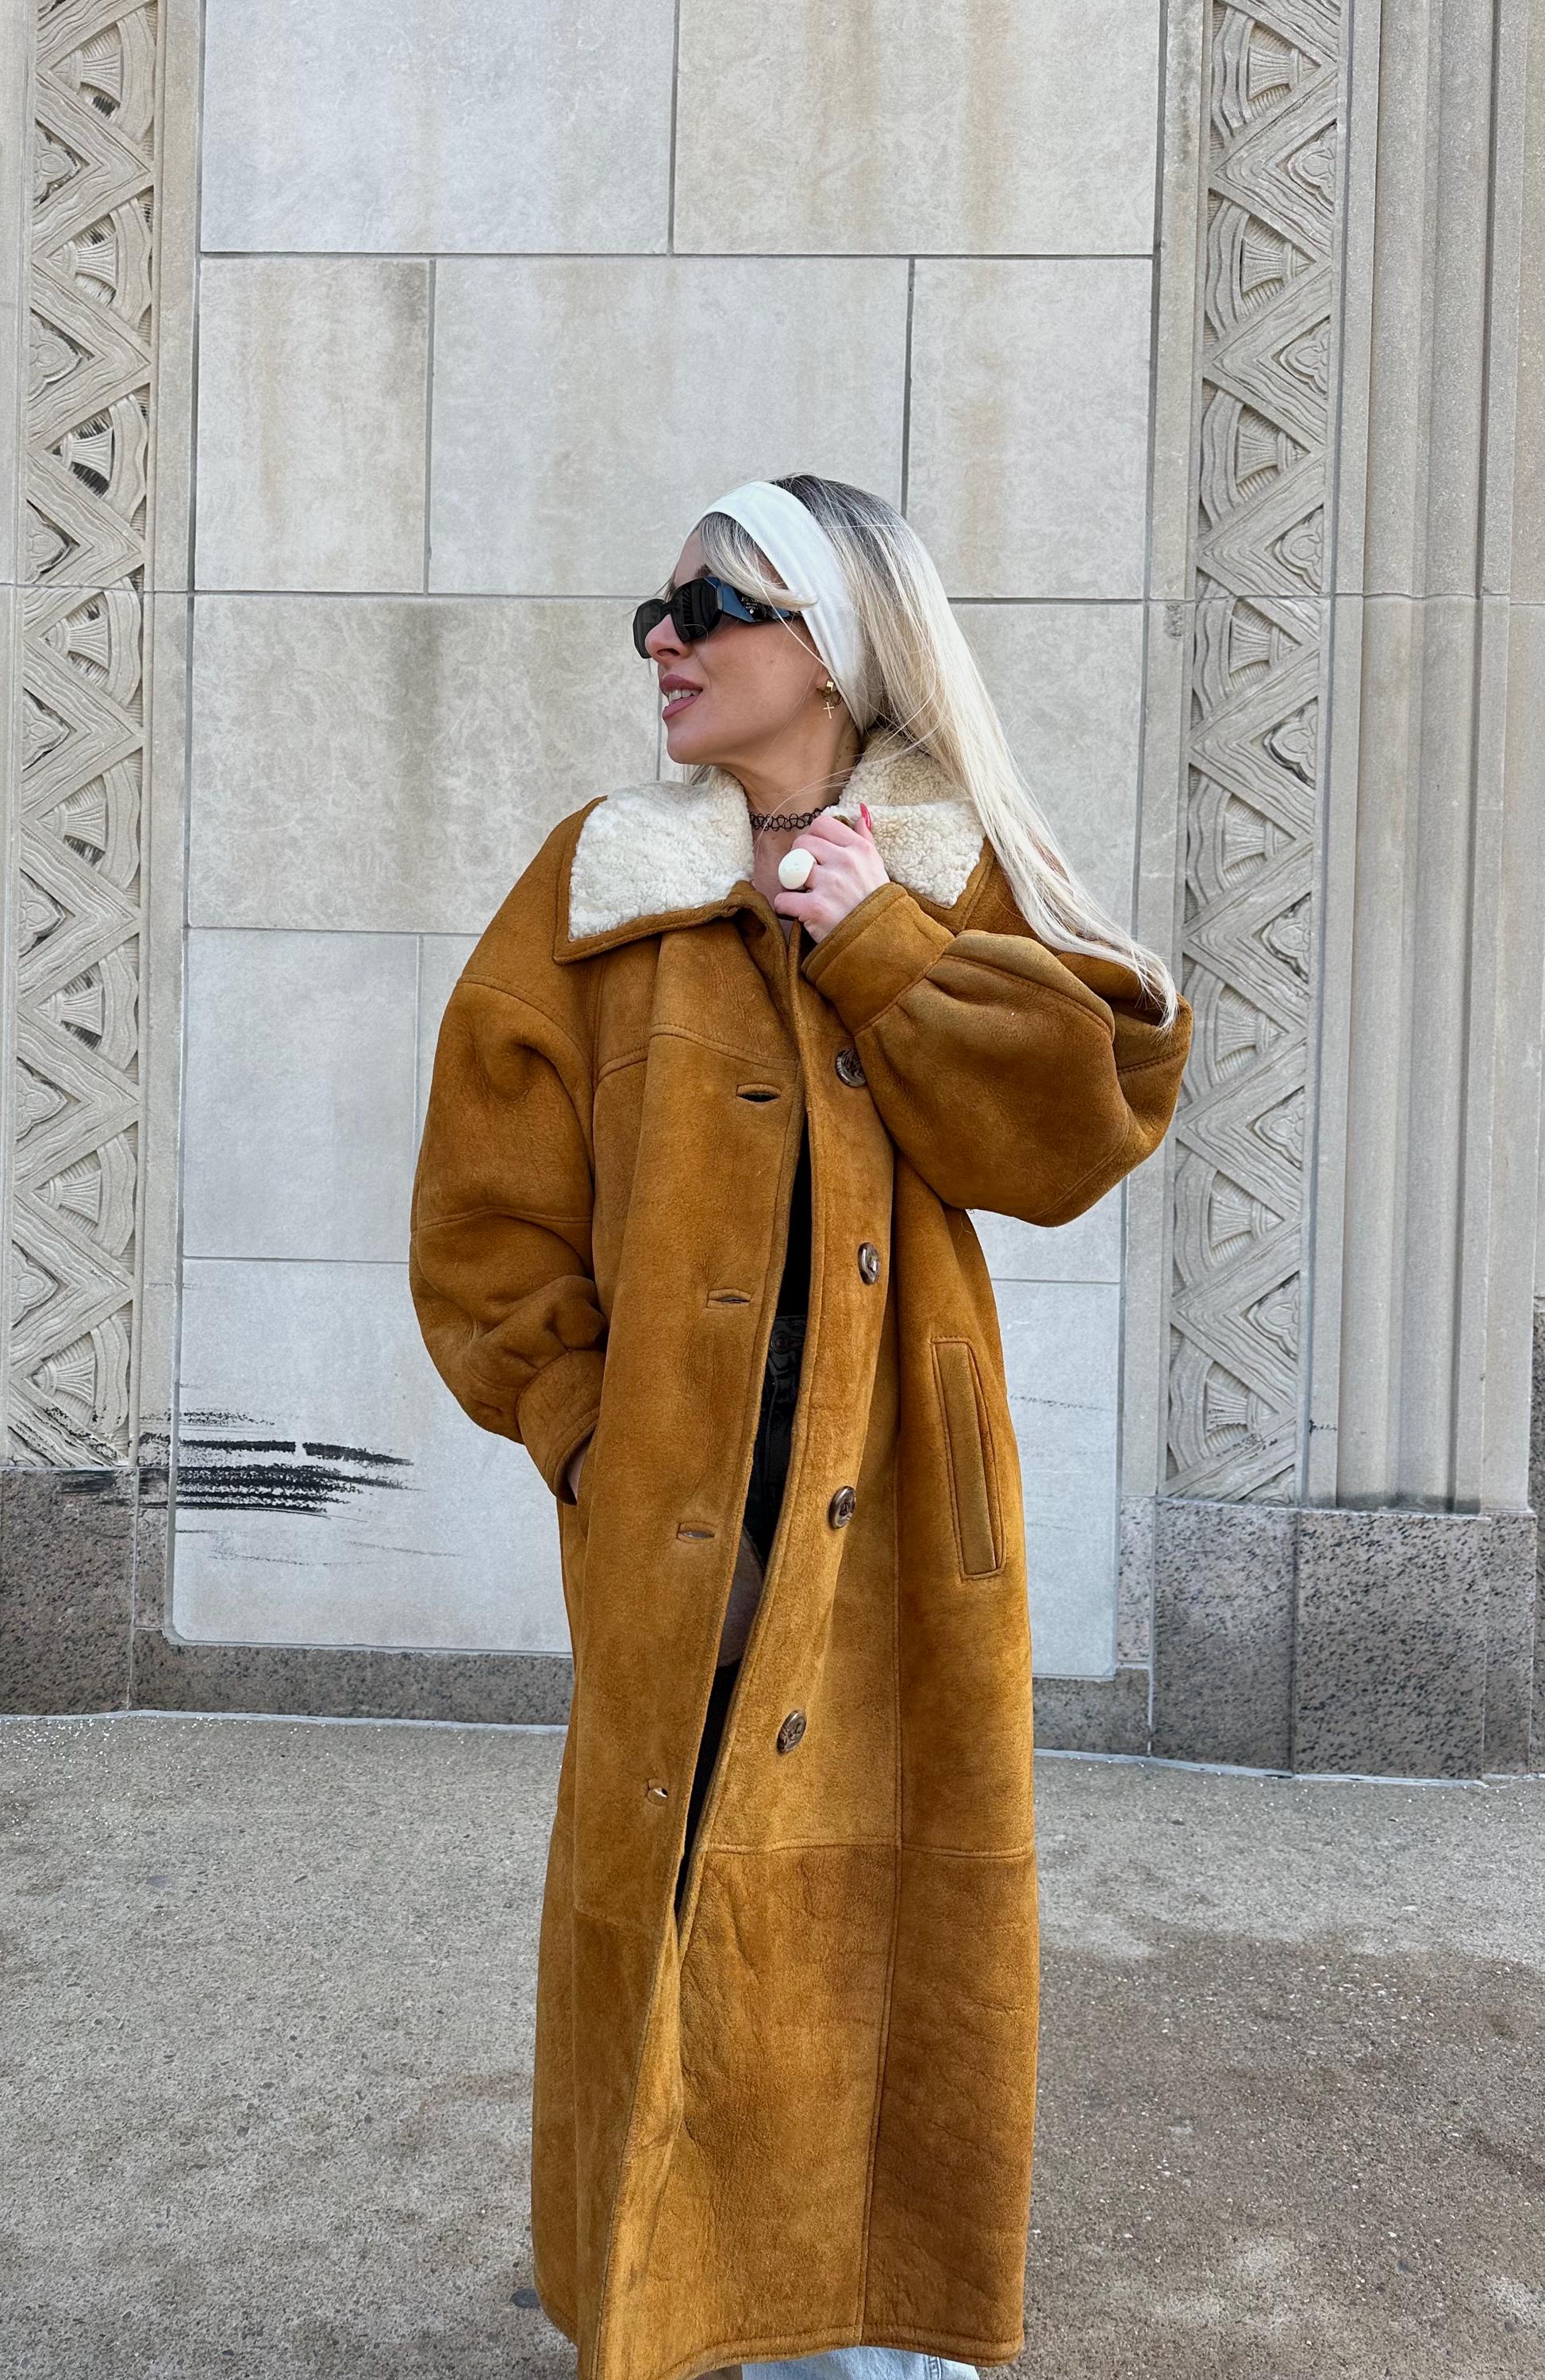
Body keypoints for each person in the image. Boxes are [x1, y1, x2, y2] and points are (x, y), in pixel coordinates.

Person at [409, 474, 1193, 2380]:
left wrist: (882, 945)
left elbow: (1082, 1127)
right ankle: (661, 2297)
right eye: (656, 608)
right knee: (675, 1892)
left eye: (707, 606)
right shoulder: (605, 883)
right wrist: (589, 1439)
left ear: (830, 648)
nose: (659, 639)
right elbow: (483, 1224)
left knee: (871, 1922)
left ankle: (860, 2327)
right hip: (671, 1502)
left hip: (902, 1506)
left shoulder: (948, 869)